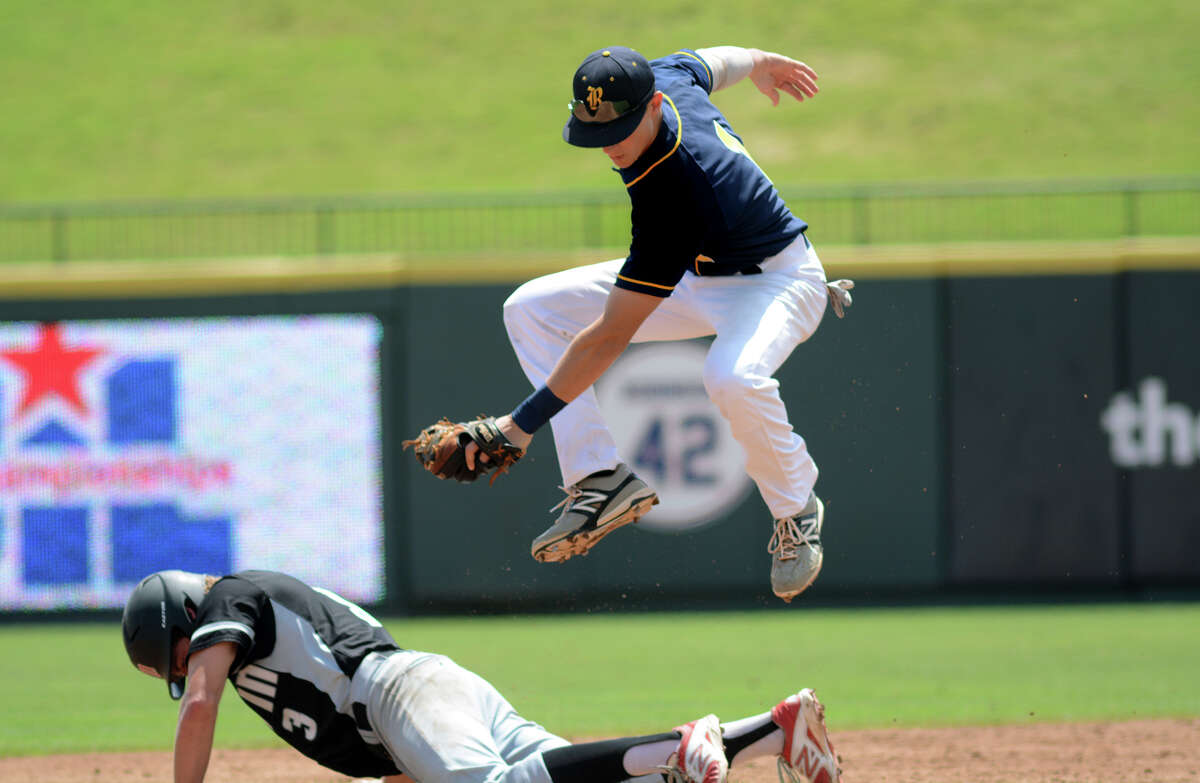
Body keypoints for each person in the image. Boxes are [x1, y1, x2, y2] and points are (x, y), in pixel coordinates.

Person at [472, 45, 849, 602]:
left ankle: (796, 508)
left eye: (620, 129)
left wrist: (520, 426)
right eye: (596, 132)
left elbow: (608, 339)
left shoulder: (680, 187)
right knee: (529, 308)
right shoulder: (666, 77)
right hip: (698, 272)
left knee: (732, 378)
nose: (610, 146)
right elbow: (716, 61)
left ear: (653, 105)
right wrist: (761, 61)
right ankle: (599, 479)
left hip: (776, 281)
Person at [121, 569, 840, 783]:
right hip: (419, 703)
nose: (185, 668)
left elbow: (201, 706)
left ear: (190, 611)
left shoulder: (229, 599)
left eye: (176, 651)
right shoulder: (245, 638)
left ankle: (680, 743)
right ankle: (774, 731)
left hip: (399, 693)